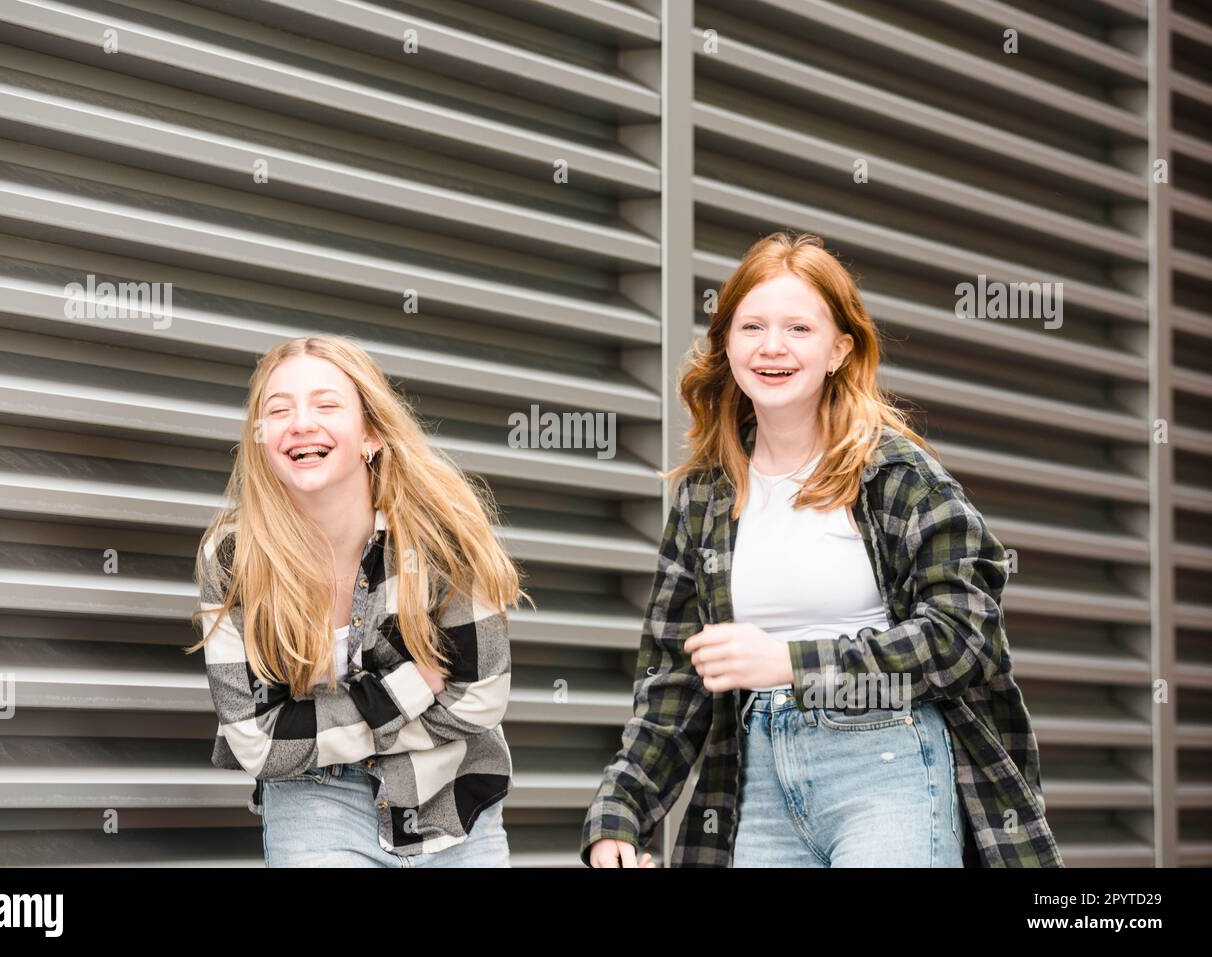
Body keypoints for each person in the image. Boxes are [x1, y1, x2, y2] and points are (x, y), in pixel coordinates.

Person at [581, 231, 1063, 868]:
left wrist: (790, 662)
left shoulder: (897, 476)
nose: (772, 346)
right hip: (755, 780)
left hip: (886, 767)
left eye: (798, 329)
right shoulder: (705, 498)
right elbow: (673, 677)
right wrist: (620, 813)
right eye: (752, 326)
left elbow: (962, 637)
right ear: (726, 343)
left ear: (840, 349)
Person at [187, 334, 528, 867]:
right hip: (314, 795)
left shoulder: (440, 536)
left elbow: (480, 695)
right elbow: (255, 741)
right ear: (261, 438)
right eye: (279, 410)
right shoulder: (233, 558)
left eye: (326, 405)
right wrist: (407, 690)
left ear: (370, 434)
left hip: (452, 795)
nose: (301, 422)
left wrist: (310, 725)